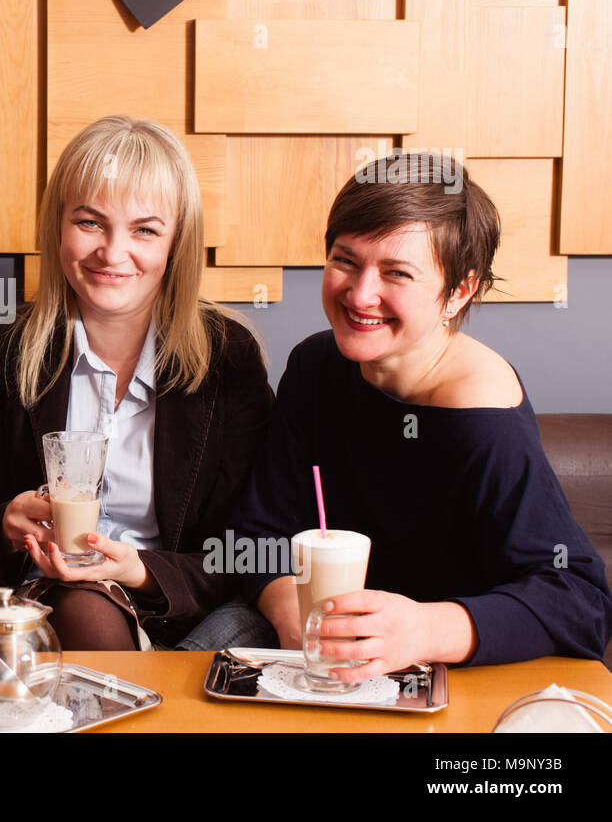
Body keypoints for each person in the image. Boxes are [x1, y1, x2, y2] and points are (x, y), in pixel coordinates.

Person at [233, 152, 612, 679]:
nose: (360, 293)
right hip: (318, 655)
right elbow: (258, 529)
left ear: (458, 291)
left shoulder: (483, 416)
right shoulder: (316, 364)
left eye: (397, 273)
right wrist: (287, 609)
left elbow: (579, 600)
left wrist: (425, 629)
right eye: (345, 260)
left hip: (448, 675)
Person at [0, 116, 275, 650]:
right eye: (89, 223)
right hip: (56, 604)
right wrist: (6, 525)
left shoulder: (227, 357)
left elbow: (244, 552)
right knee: (82, 603)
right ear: (57, 225)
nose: (111, 252)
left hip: (193, 612)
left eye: (145, 229)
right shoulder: (10, 351)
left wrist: (139, 572)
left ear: (177, 242)